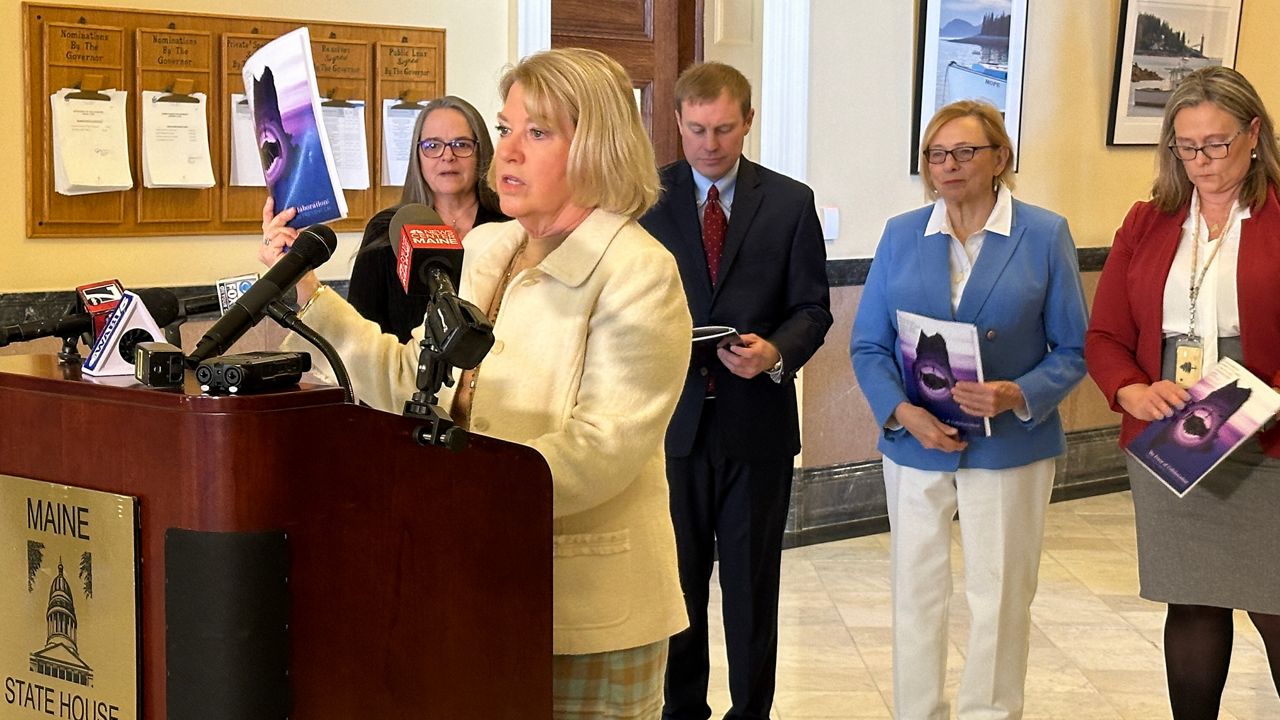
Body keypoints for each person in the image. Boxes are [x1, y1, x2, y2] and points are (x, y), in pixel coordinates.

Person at [261, 48, 691, 719]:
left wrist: (457, 495)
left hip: (584, 607)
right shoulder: (491, 248)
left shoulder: (638, 271)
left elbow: (603, 447)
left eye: (537, 132)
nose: (506, 153)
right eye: (506, 127)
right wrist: (310, 294)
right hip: (474, 586)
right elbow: (417, 379)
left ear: (597, 147)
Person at [850, 100, 1088, 720]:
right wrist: (901, 411)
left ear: (1000, 159)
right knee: (917, 590)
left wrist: (1017, 393)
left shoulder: (1044, 233)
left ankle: (991, 712)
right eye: (936, 154)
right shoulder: (901, 234)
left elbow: (1073, 350)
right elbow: (869, 344)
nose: (947, 166)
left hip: (1010, 447)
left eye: (964, 152)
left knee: (1002, 594)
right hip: (915, 442)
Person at [1085, 65, 1280, 719]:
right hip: (1175, 432)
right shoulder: (1149, 221)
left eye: (1217, 143)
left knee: (1277, 602)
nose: (1201, 160)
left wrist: (1257, 406)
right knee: (1191, 599)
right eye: (1186, 146)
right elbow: (1106, 333)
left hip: (1270, 433)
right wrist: (1131, 391)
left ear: (1254, 134)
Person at [639, 61, 832, 720]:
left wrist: (776, 351)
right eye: (696, 130)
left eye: (723, 129)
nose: (710, 144)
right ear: (678, 122)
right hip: (673, 427)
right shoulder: (646, 199)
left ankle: (752, 713)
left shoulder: (789, 202)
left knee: (753, 590)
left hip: (757, 425)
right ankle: (682, 711)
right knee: (677, 589)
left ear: (748, 120)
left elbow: (812, 308)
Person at [346, 95, 508, 342]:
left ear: (481, 151)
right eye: (433, 146)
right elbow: (360, 333)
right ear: (417, 155)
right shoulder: (386, 228)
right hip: (404, 376)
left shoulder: (509, 225)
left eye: (461, 144)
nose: (447, 156)